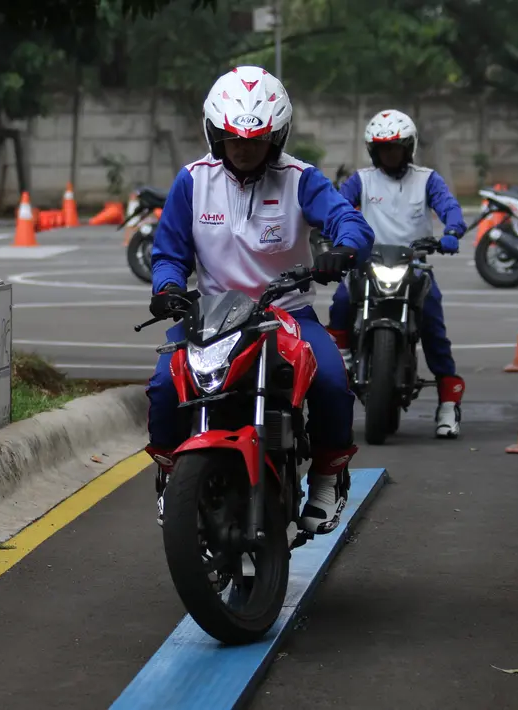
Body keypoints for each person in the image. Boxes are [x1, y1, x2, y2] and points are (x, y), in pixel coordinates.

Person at [146, 65, 375, 535]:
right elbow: (169, 254)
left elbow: (349, 222)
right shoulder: (192, 181)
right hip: (212, 314)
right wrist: (167, 288)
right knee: (165, 386)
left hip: (287, 313)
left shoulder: (302, 179)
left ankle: (328, 476)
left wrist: (344, 249)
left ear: (277, 136)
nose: (245, 148)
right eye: (233, 138)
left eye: (257, 139)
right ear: (215, 134)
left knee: (333, 383)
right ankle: (172, 474)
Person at [329, 109, 468, 439]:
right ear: (373, 150)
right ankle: (343, 355)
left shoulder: (427, 179)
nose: (390, 153)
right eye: (383, 148)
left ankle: (448, 405)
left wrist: (452, 231)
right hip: (368, 263)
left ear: (409, 148)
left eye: (396, 147)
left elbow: (448, 206)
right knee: (341, 301)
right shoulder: (361, 180)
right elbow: (336, 206)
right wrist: (329, 230)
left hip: (414, 265)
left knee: (433, 324)